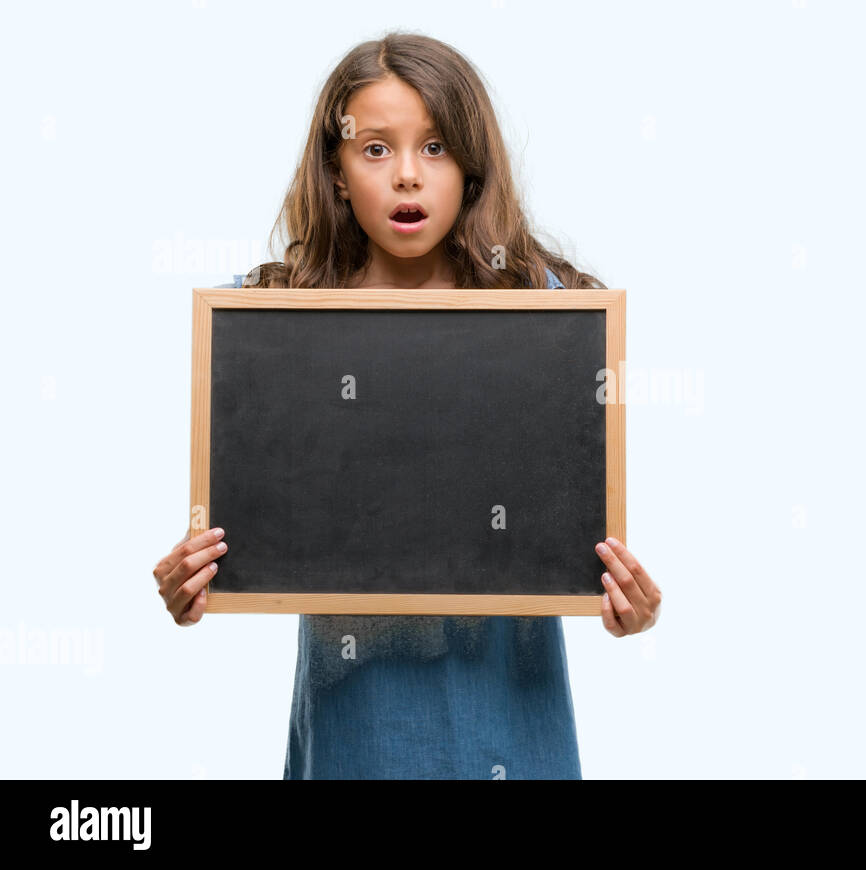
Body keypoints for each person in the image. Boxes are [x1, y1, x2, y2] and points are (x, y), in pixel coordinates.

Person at [151, 31, 662, 779]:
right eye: (376, 149)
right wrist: (197, 577)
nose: (408, 178)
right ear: (336, 172)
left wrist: (627, 606)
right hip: (361, 721)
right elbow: (253, 512)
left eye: (435, 148)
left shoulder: (545, 314)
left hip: (513, 719)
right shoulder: (277, 319)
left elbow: (571, 519)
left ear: (471, 166)